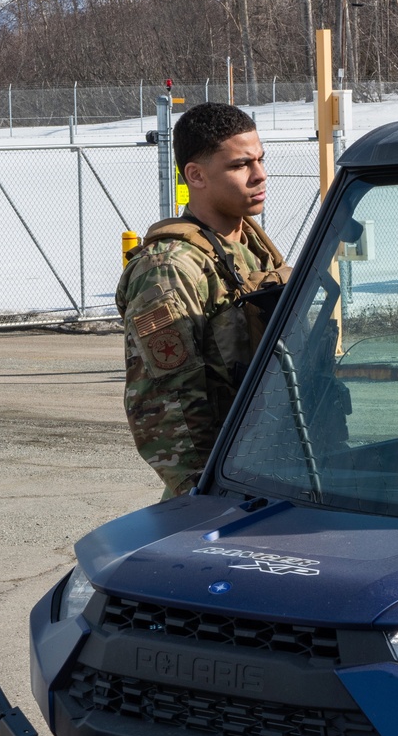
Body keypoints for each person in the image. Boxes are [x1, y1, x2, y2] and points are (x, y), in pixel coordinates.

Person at [116, 102, 289, 498]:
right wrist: (205, 494)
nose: (260, 175)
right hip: (226, 488)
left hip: (278, 465)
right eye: (240, 165)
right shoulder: (169, 268)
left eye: (260, 160)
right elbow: (165, 404)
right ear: (196, 175)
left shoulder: (254, 249)